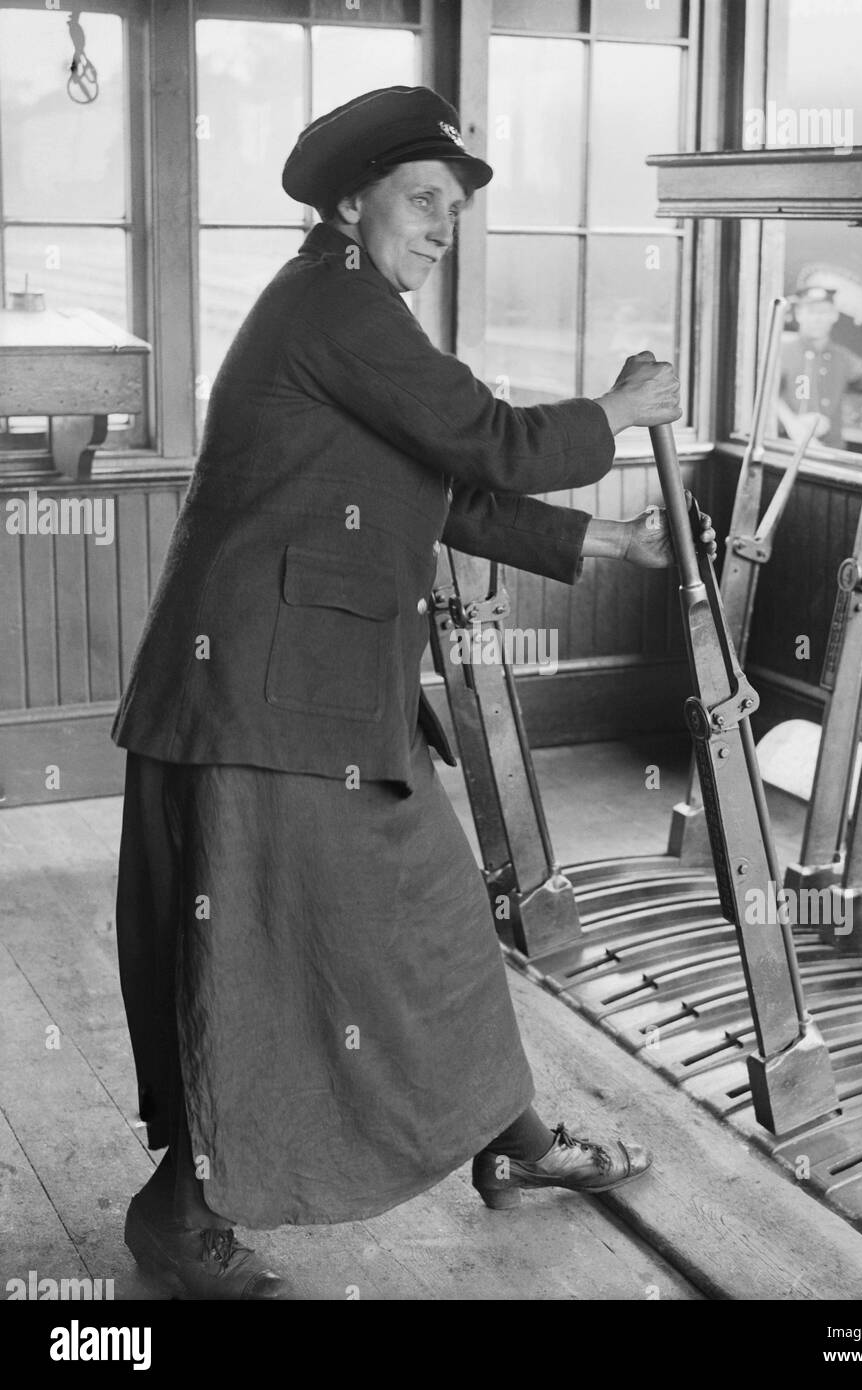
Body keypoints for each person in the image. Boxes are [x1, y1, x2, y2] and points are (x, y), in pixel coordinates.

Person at [111, 85, 707, 1300]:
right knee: (272, 970)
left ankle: (513, 1139)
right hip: (259, 712)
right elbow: (488, 437)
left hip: (320, 704)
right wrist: (619, 409)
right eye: (424, 201)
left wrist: (613, 547)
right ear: (350, 203)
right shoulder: (335, 305)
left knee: (435, 918)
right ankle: (178, 1223)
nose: (443, 227)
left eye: (456, 209)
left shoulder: (359, 318)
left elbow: (455, 487)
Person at [778, 285, 862, 449]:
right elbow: (765, 396)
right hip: (787, 449)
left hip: (832, 450)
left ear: (834, 315)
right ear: (799, 314)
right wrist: (792, 423)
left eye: (824, 312)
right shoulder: (783, 351)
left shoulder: (843, 357)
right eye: (811, 312)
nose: (818, 319)